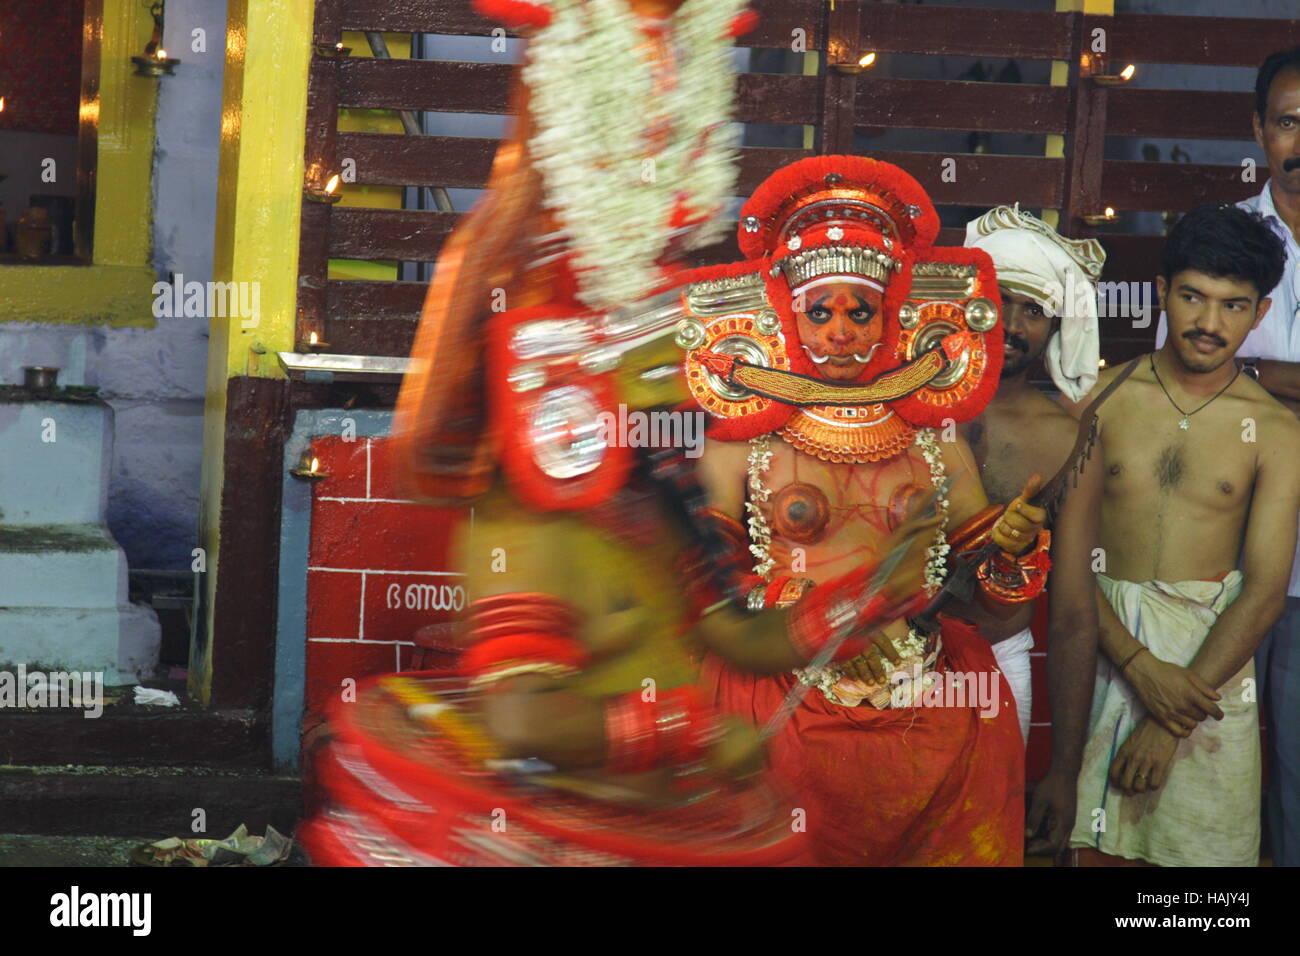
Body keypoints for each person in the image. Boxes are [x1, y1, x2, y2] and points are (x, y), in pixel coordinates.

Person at [300, 0, 944, 866]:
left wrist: (872, 593)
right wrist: (692, 731)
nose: (674, 365)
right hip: (571, 838)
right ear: (565, 377)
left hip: (670, 825)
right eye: (639, 346)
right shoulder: (520, 527)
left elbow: (738, 638)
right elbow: (523, 719)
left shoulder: (655, 490)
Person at [689, 155, 1050, 866]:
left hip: (929, 700)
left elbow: (987, 593)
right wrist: (809, 608)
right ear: (786, 317)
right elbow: (705, 595)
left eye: (861, 312)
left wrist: (1010, 545)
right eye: (819, 312)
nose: (840, 333)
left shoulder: (934, 438)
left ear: (892, 317)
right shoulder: (738, 445)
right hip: (782, 695)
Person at [1065, 203, 1300, 867]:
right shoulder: (1100, 402)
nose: (1209, 323)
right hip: (1106, 655)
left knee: (1202, 878)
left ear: (1260, 314)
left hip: (1213, 678)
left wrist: (1170, 721)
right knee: (1093, 849)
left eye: (1234, 306)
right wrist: (1140, 668)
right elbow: (1071, 563)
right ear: (1162, 289)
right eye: (1193, 297)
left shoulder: (1276, 431)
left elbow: (1264, 592)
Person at [1156, 46, 1300, 867]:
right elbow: (1181, 383)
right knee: (1202, 785)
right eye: (1287, 121)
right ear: (1259, 130)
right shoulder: (1221, 244)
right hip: (1213, 574)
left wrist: (1247, 372)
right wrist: (1240, 375)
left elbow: (1216, 371)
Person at [961, 204, 1105, 854]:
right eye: (1000, 300)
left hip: (999, 664)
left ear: (1058, 325)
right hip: (885, 662)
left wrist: (1066, 773)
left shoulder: (1067, 439)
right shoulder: (900, 402)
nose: (1011, 326)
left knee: (985, 844)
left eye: (1033, 310)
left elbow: (1073, 613)